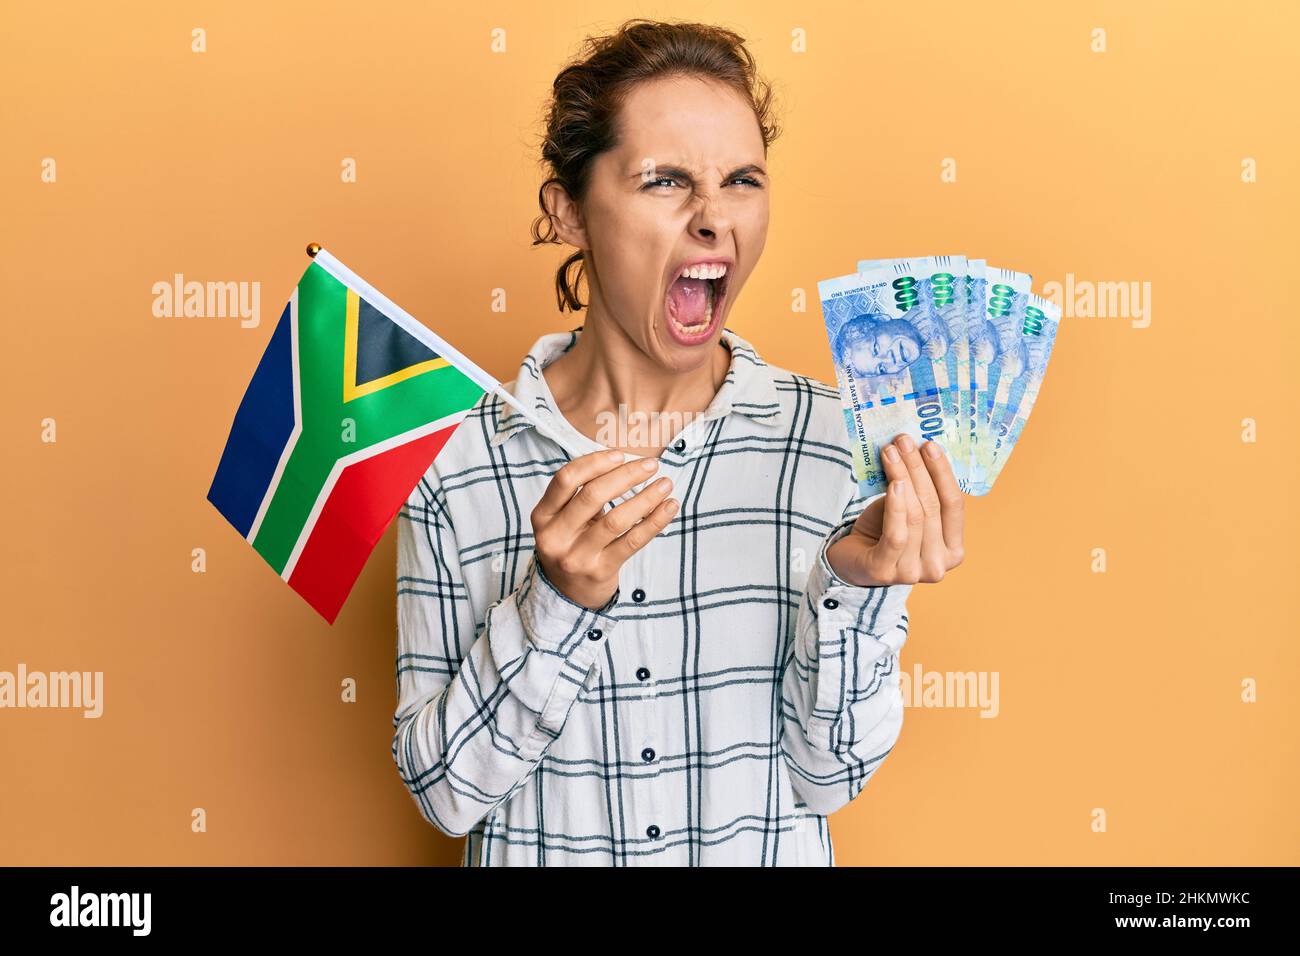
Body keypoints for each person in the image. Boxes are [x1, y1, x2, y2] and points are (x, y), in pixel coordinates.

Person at [391, 18, 964, 866]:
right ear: (568, 213)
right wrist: (553, 601)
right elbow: (444, 794)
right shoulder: (456, 467)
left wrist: (851, 589)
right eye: (664, 181)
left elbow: (830, 774)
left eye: (740, 180)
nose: (712, 218)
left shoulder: (838, 448)